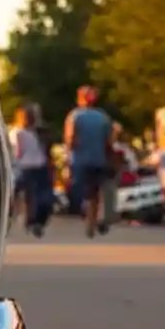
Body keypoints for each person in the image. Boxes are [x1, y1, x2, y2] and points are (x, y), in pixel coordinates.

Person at [64, 85, 114, 238]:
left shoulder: (75, 116)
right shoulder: (103, 117)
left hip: (79, 160)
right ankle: (93, 221)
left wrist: (69, 151)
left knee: (80, 191)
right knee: (95, 193)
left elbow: (71, 139)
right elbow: (109, 142)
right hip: (98, 159)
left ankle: (86, 217)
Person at [8, 106, 49, 237]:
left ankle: (22, 219)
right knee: (30, 195)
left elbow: (17, 152)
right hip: (34, 165)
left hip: (26, 166)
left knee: (23, 195)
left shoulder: (18, 132)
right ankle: (29, 220)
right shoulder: (29, 133)